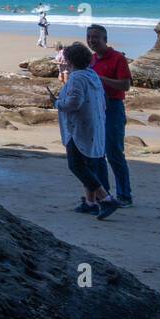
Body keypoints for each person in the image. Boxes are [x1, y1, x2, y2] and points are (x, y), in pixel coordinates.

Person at [52, 42, 120, 219]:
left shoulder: (77, 77)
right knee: (88, 164)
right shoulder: (93, 75)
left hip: (79, 127)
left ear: (69, 61)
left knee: (76, 165)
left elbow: (75, 102)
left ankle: (105, 199)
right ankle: (90, 202)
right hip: (94, 124)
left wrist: (57, 104)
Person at [87, 24, 133, 207]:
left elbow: (125, 85)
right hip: (95, 109)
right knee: (97, 155)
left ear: (105, 39)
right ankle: (104, 195)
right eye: (89, 36)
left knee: (114, 153)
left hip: (113, 108)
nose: (92, 40)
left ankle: (124, 195)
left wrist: (101, 79)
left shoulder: (118, 58)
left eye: (96, 37)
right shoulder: (90, 59)